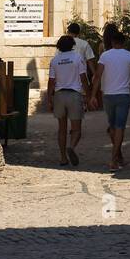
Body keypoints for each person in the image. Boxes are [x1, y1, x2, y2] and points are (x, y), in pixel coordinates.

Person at [90, 30, 130, 172]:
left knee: (113, 127)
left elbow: (97, 76)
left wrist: (93, 95)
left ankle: (118, 156)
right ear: (124, 42)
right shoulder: (129, 56)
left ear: (112, 42)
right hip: (123, 96)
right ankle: (114, 159)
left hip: (107, 95)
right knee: (119, 127)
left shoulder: (105, 56)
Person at [45, 34, 90, 167]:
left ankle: (63, 157)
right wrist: (88, 95)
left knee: (61, 129)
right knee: (76, 129)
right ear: (72, 45)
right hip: (74, 95)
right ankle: (71, 146)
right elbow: (83, 78)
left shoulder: (54, 60)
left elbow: (51, 82)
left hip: (59, 95)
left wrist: (49, 99)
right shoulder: (77, 58)